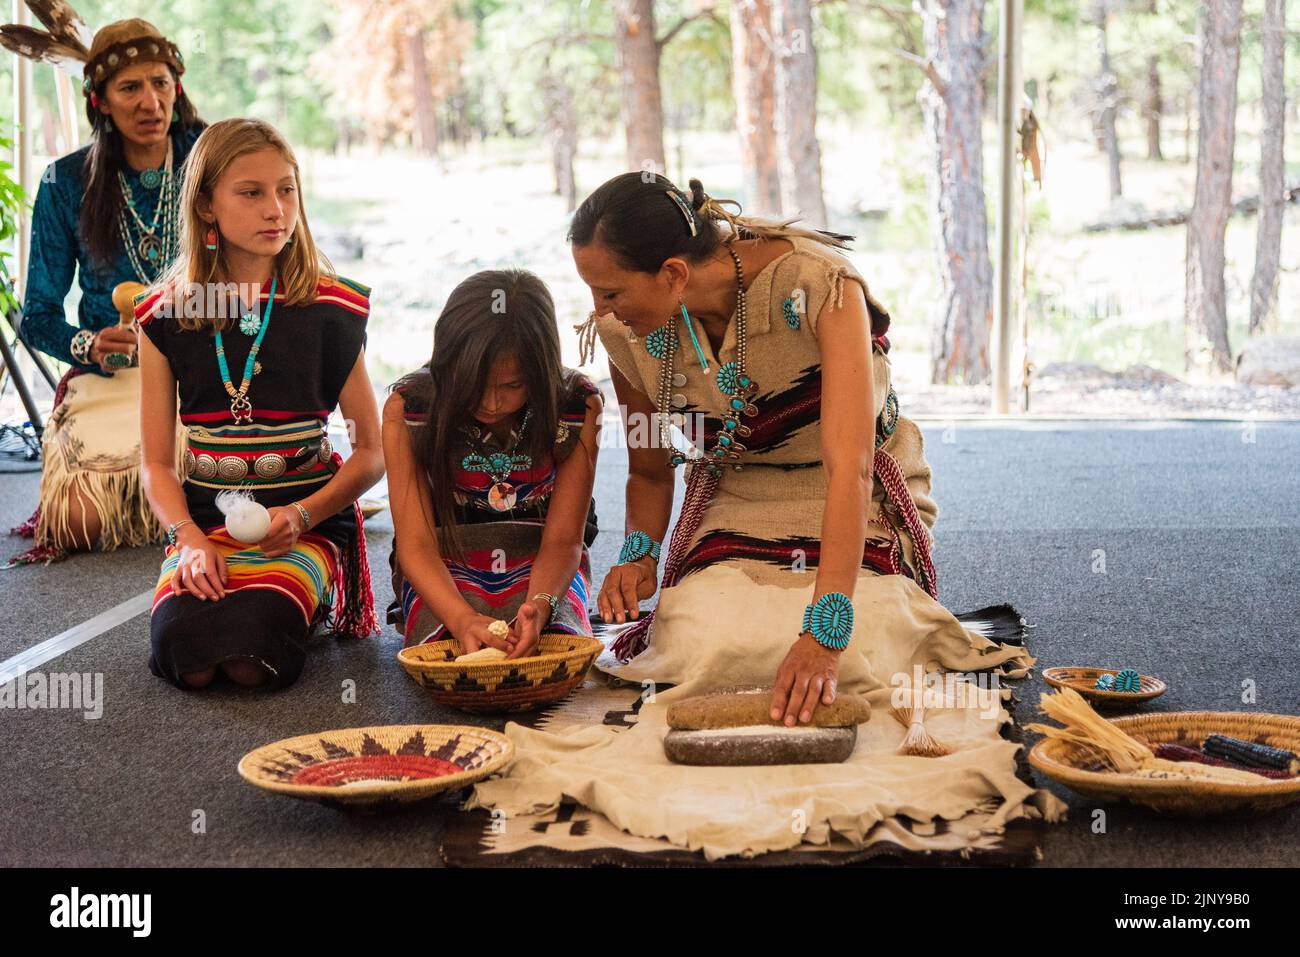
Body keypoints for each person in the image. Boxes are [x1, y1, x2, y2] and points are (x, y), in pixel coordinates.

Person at [465, 172, 1065, 859]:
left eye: (609, 291)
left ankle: (851, 625)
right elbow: (653, 464)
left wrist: (826, 624)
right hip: (739, 490)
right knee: (700, 635)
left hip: (850, 489)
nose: (599, 310)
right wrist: (637, 553)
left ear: (671, 272)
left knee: (862, 639)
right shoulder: (626, 333)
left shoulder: (822, 288)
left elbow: (852, 467)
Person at [135, 118, 383, 691]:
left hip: (305, 519)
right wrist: (188, 540)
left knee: (255, 660)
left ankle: (306, 601)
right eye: (251, 193)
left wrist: (302, 516)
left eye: (287, 189)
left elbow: (372, 453)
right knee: (186, 659)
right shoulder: (163, 315)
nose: (276, 209)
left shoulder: (332, 306)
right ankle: (214, 580)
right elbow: (156, 464)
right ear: (205, 207)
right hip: (203, 520)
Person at [1, 11, 205, 564]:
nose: (150, 102)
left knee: (219, 488)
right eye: (130, 87)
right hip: (113, 375)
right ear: (101, 100)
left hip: (207, 366)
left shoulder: (211, 159)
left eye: (160, 83)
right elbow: (35, 313)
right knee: (76, 523)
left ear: (176, 88)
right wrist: (88, 345)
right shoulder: (65, 181)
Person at [384, 269, 602, 658]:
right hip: (446, 552)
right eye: (474, 384)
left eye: (512, 386)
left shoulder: (576, 406)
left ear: (541, 371)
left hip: (541, 551)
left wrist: (540, 604)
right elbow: (414, 543)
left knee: (553, 641)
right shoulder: (410, 409)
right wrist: (461, 618)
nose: (491, 402)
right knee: (450, 646)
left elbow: (564, 540)